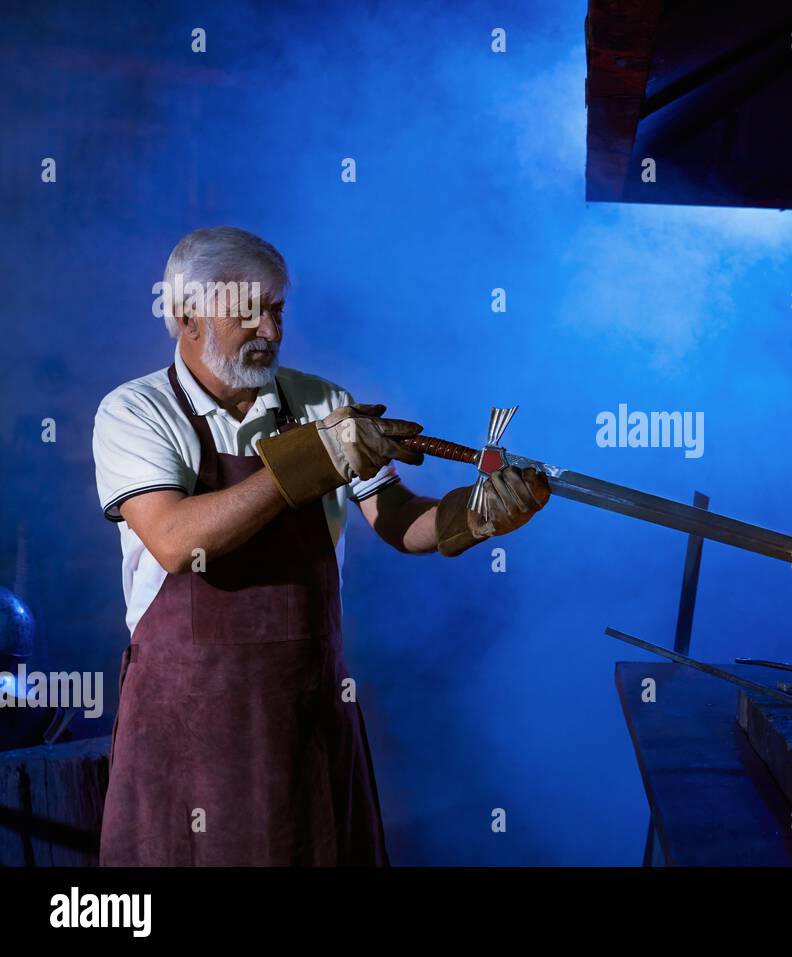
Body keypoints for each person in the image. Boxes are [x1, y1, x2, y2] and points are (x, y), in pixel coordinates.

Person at [92, 226, 548, 865]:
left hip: (305, 709)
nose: (272, 331)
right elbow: (174, 540)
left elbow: (396, 521)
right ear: (184, 315)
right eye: (251, 312)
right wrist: (313, 459)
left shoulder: (321, 403)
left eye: (278, 310)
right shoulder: (135, 412)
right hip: (186, 725)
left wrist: (474, 516)